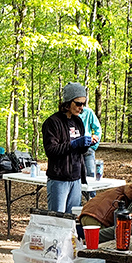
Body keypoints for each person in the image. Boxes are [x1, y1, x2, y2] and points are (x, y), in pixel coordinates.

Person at [42, 83, 98, 213]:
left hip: (76, 177)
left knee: (72, 217)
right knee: (58, 218)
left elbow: (80, 151)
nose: (81, 108)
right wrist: (74, 144)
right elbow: (51, 150)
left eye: (83, 104)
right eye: (78, 103)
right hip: (59, 178)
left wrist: (85, 144)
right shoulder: (52, 122)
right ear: (68, 102)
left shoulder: (78, 122)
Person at [80, 103, 102, 197]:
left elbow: (97, 128)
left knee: (91, 174)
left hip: (88, 149)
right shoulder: (69, 114)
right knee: (76, 176)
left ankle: (92, 199)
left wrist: (93, 146)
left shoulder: (88, 112)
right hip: (74, 149)